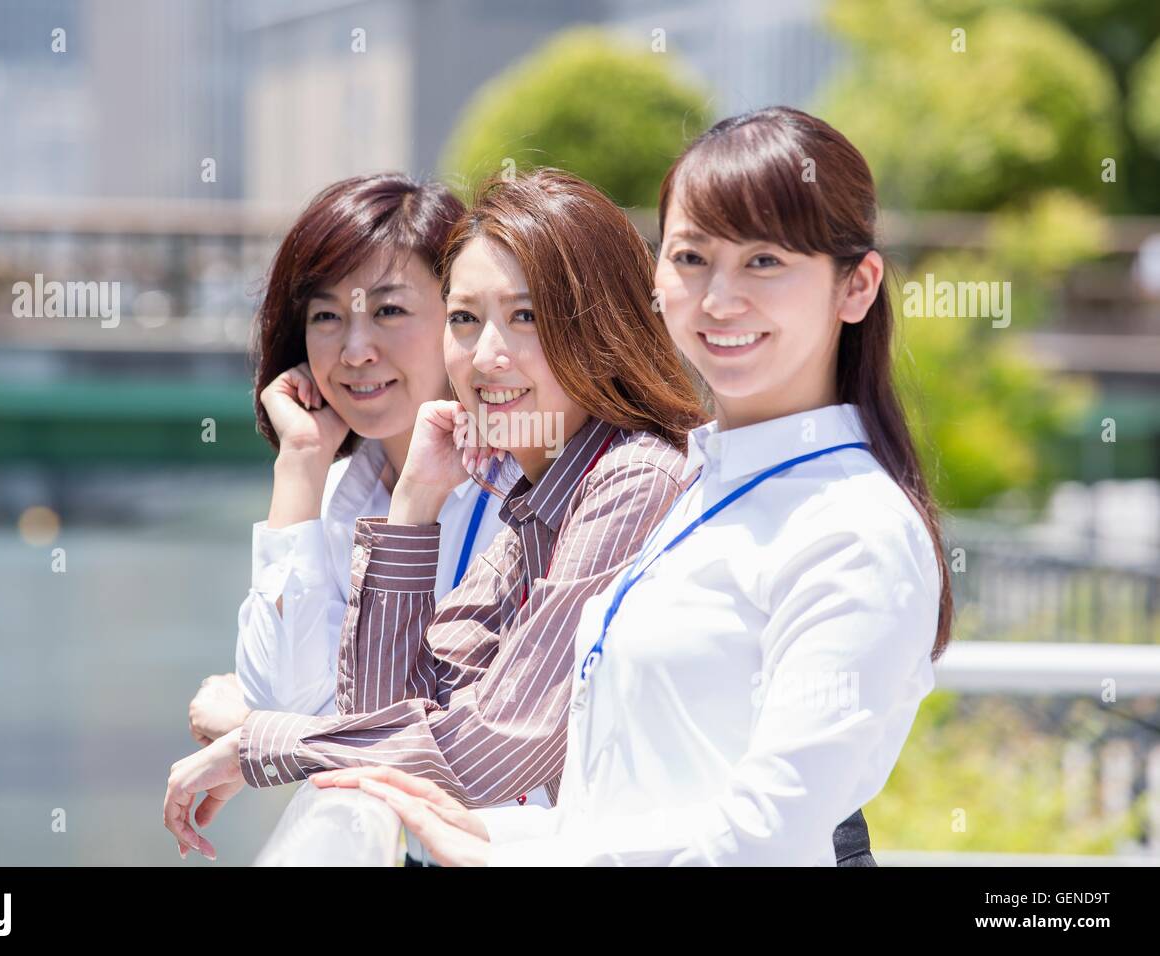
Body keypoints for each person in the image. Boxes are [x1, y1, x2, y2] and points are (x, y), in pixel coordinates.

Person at [315, 107, 953, 866]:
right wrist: (499, 836)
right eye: (690, 258)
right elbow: (627, 796)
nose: (718, 299)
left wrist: (266, 743)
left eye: (766, 262)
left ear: (857, 287)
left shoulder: (852, 530)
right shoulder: (701, 493)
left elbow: (770, 837)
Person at [163, 169, 706, 861]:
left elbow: (488, 750)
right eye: (466, 319)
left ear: (601, 323)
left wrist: (261, 742)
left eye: (526, 315)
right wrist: (412, 505)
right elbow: (382, 713)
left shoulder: (630, 480)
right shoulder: (536, 504)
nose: (486, 355)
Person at [185, 174, 507, 746]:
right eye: (326, 317)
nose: (355, 351)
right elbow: (283, 696)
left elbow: (460, 725)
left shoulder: (520, 488)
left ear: (461, 317)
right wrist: (302, 460)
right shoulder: (334, 496)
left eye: (388, 311)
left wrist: (250, 729)